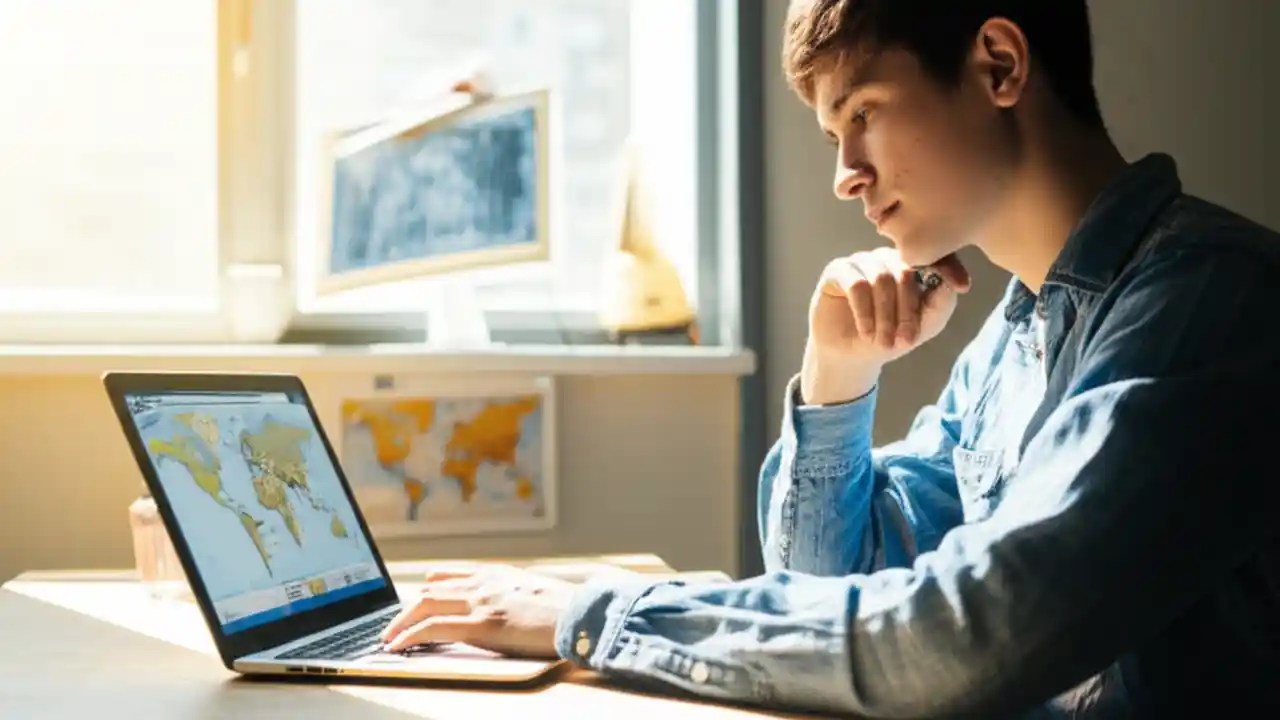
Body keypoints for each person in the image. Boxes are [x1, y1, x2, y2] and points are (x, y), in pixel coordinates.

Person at [379, 1, 1280, 716]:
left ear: (999, 66)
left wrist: (591, 616)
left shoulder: (1209, 305)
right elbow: (830, 586)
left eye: (864, 112)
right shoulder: (1018, 335)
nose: (845, 172)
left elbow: (957, 638)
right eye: (832, 134)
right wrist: (835, 381)